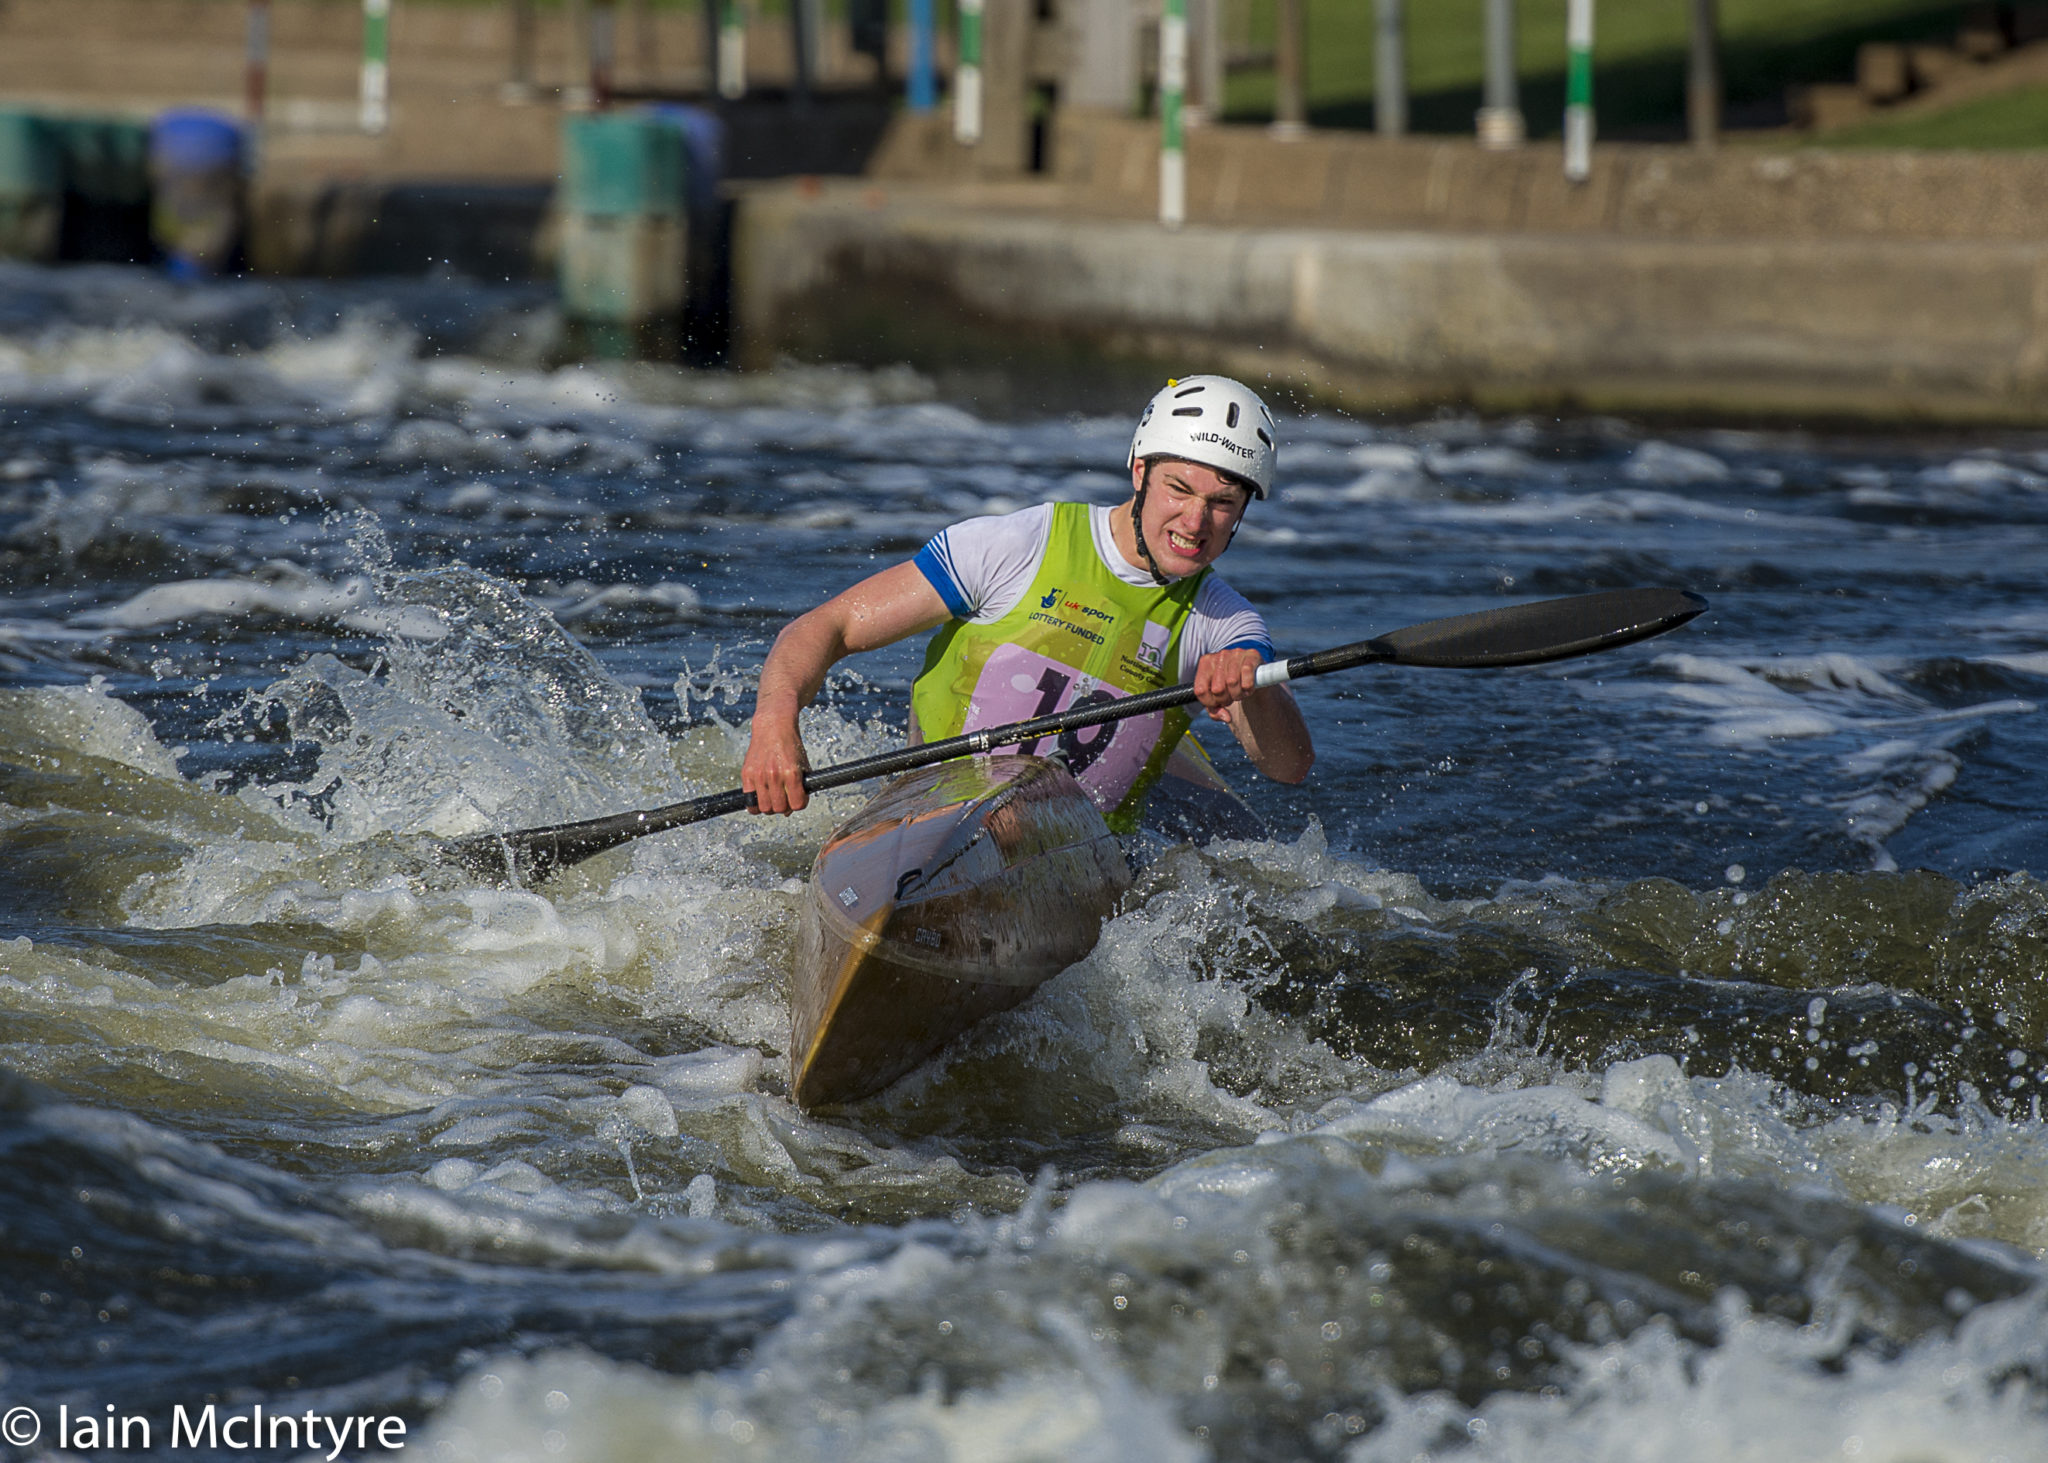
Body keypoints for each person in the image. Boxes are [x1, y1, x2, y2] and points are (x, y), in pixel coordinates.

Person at [740, 375, 1313, 830]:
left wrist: (1252, 687)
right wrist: (773, 724)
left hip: (1072, 864)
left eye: (1222, 503)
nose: (1194, 522)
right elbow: (828, 626)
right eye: (1179, 489)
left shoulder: (1224, 623)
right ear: (1140, 471)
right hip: (928, 820)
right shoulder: (1018, 545)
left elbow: (1289, 766)